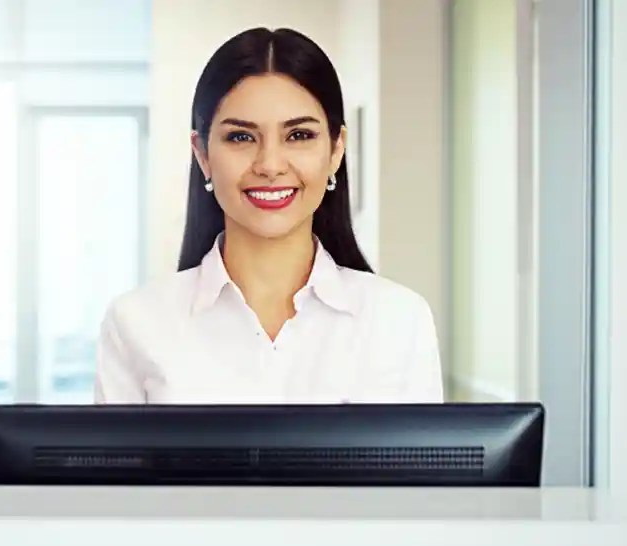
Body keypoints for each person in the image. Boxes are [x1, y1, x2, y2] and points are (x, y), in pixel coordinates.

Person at [93, 27, 443, 405]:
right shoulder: (136, 322)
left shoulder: (399, 320)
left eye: (299, 136)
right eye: (241, 138)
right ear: (203, 154)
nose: (270, 165)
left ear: (336, 150)